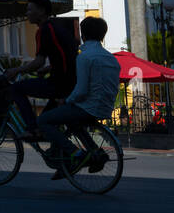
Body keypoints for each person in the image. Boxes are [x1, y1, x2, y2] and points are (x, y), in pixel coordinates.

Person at [37, 16, 121, 179]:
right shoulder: (111, 58)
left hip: (87, 107)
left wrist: (66, 100)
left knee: (43, 120)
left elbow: (81, 90)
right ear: (103, 35)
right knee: (72, 122)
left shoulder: (84, 57)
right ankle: (95, 151)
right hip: (105, 107)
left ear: (83, 35)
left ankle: (76, 154)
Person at [0, 0, 78, 138]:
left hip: (60, 83)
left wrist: (15, 70)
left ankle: (32, 129)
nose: (27, 13)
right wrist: (48, 69)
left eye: (30, 10)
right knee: (47, 120)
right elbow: (65, 57)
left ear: (41, 11)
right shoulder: (57, 27)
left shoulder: (44, 31)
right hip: (71, 81)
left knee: (16, 89)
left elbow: (39, 62)